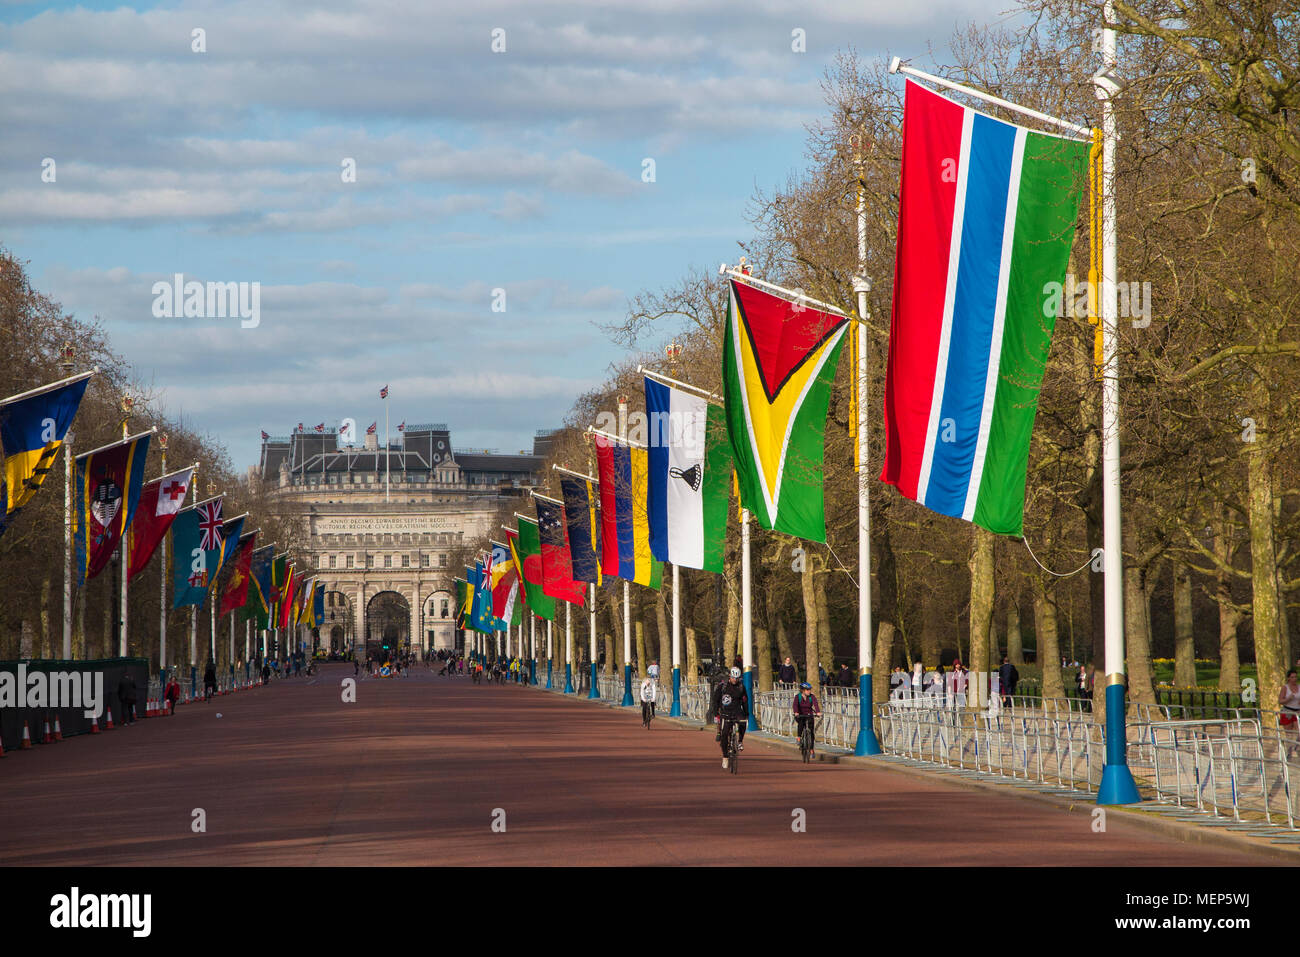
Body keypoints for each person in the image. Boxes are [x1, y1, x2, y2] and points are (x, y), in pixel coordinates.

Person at [709, 666, 750, 769]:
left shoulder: (741, 687)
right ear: (730, 677)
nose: (735, 680)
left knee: (743, 722)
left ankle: (740, 741)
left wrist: (746, 713)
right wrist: (716, 713)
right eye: (733, 677)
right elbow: (715, 700)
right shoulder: (723, 686)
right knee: (724, 734)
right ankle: (725, 756)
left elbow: (745, 701)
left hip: (736, 711)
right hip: (725, 712)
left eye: (737, 678)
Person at [791, 681, 821, 757]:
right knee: (801, 723)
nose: (809, 691)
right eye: (807, 690)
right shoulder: (798, 697)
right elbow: (795, 705)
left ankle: (811, 749)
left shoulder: (812, 697)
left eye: (810, 689)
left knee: (811, 732)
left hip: (809, 714)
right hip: (800, 714)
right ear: (803, 690)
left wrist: (817, 712)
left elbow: (816, 704)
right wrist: (796, 712)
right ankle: (798, 737)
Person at [1279, 670, 1300, 756]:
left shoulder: (1299, 687)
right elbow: (1280, 701)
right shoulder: (1285, 688)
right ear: (1288, 678)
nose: (1294, 679)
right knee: (1289, 733)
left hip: (1297, 711)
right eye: (1292, 677)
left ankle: (1297, 746)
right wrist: (1288, 699)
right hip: (1287, 711)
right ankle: (1289, 751)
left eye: (1295, 677)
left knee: (1299, 731)